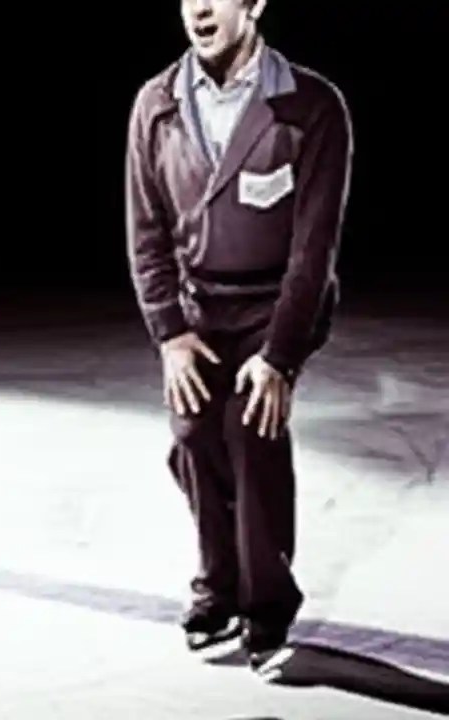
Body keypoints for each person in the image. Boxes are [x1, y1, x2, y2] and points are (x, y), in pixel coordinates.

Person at [125, 0, 352, 670]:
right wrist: (170, 334)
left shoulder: (311, 104)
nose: (198, 6)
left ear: (253, 4)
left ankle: (262, 604)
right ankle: (220, 583)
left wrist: (280, 357)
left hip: (276, 306)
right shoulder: (156, 102)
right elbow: (146, 234)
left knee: (251, 436)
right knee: (194, 435)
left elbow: (315, 251)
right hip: (198, 308)